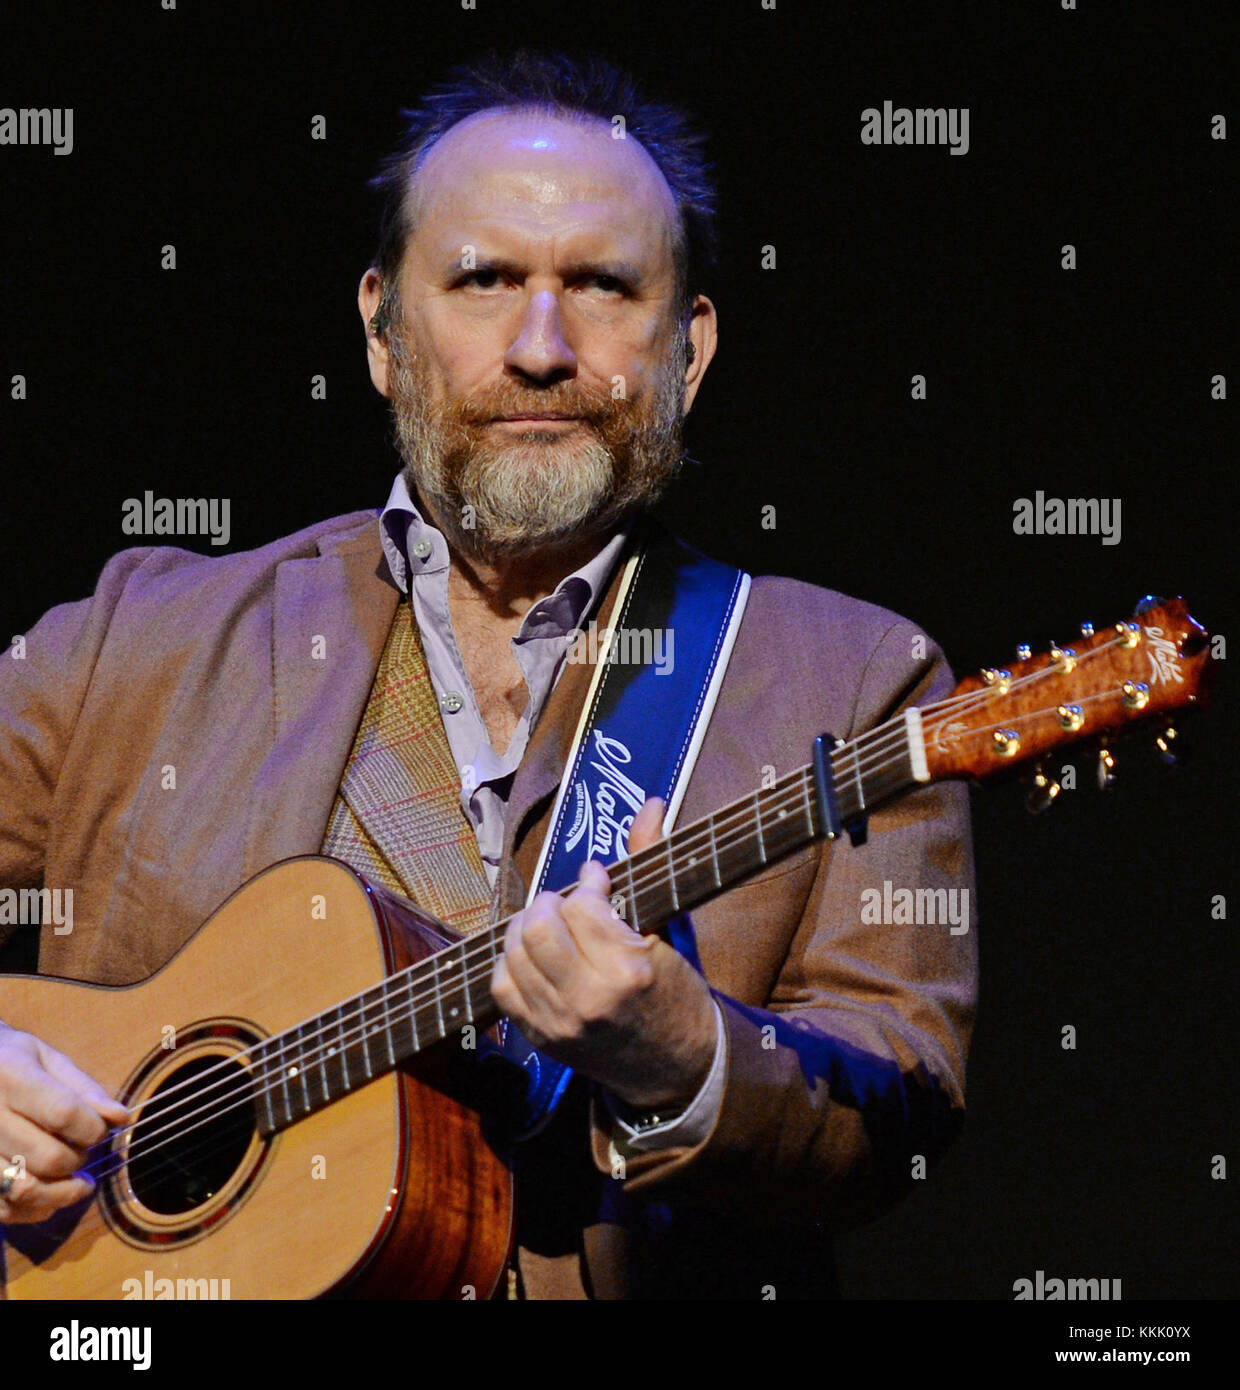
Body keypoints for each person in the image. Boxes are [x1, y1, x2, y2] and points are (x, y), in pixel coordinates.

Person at [0, 50, 976, 1299]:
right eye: (482, 281)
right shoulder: (138, 638)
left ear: (689, 346)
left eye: (602, 287)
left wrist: (686, 1058)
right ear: (381, 331)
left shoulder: (854, 683)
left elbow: (896, 1106)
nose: (539, 345)